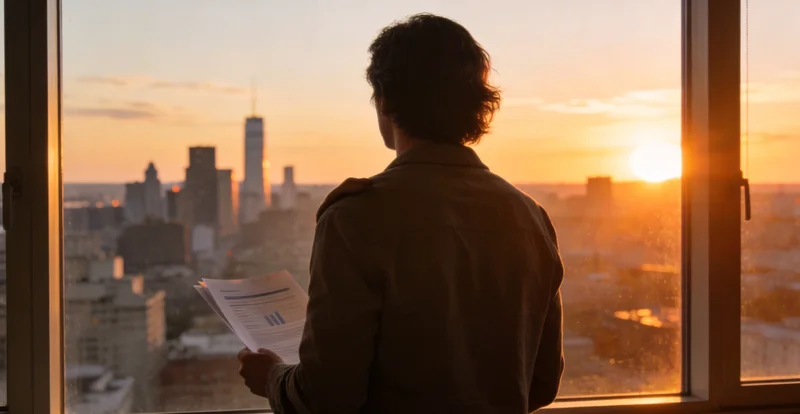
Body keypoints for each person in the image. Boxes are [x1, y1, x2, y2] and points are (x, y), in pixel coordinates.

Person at [238, 13, 564, 414]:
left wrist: (272, 376)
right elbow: (542, 384)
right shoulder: (530, 218)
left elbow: (325, 397)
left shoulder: (356, 217)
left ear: (386, 100)